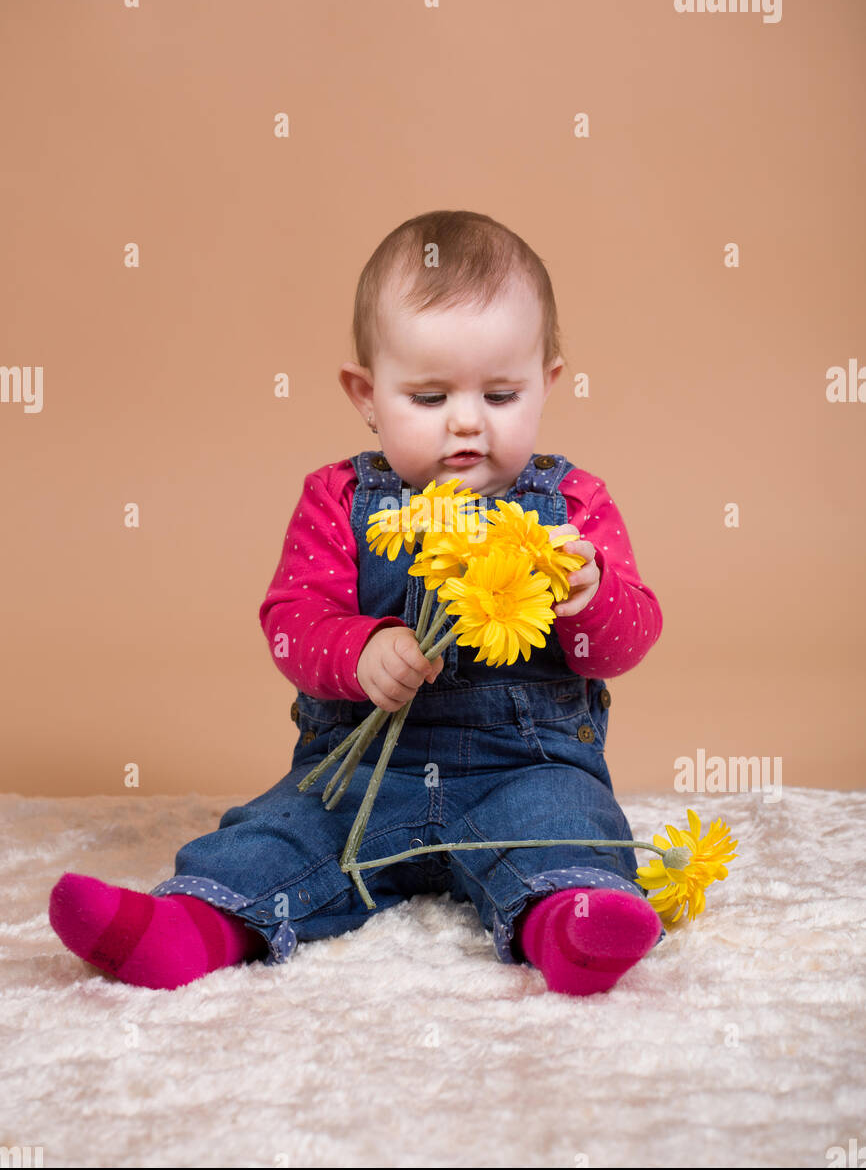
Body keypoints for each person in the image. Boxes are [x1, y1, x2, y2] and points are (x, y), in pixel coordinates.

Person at [49, 209, 665, 995]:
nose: (468, 422)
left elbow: (633, 635)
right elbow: (290, 623)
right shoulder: (339, 499)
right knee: (279, 832)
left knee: (569, 828)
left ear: (547, 385)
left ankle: (571, 927)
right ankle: (188, 927)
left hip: (526, 770)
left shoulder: (572, 504)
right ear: (366, 394)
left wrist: (593, 597)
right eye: (430, 395)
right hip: (366, 773)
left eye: (502, 394)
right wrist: (361, 649)